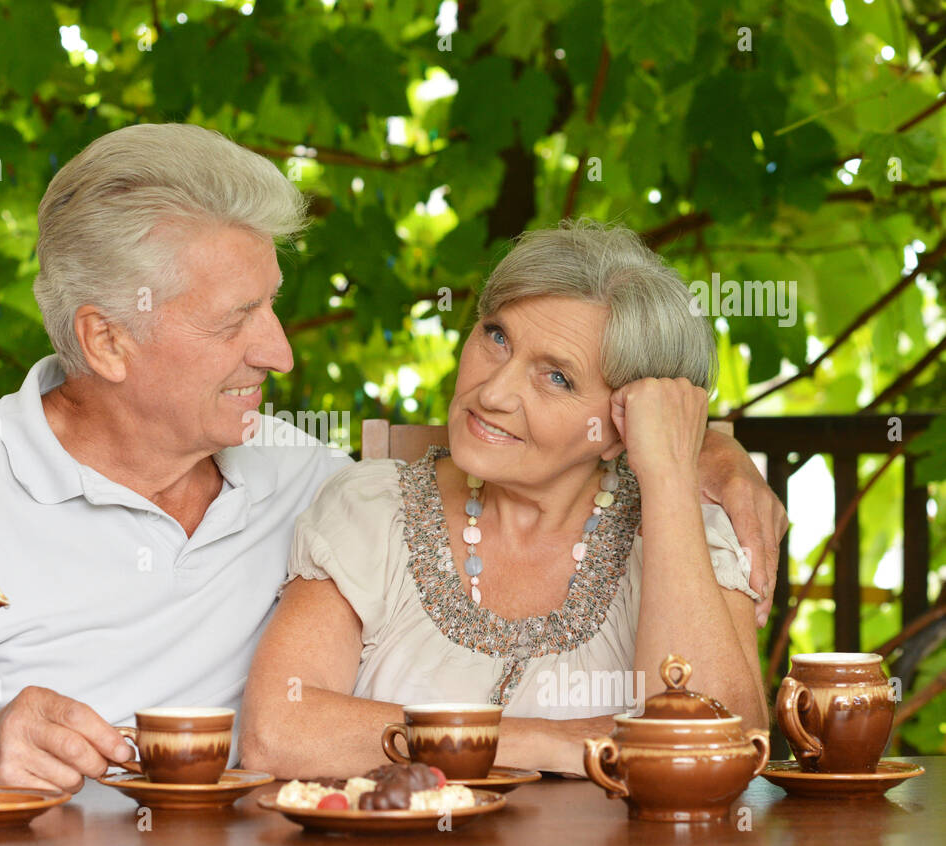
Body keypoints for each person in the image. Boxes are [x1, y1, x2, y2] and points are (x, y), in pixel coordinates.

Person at [0, 126, 784, 795]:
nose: (281, 350)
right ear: (106, 340)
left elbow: (523, 442)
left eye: (274, 307)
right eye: (236, 324)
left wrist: (708, 448)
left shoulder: (295, 475)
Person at [240, 220, 775, 780]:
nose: (492, 394)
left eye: (558, 378)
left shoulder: (688, 533)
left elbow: (717, 755)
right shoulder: (373, 509)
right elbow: (278, 731)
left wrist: (667, 477)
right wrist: (543, 742)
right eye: (497, 336)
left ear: (624, 423)